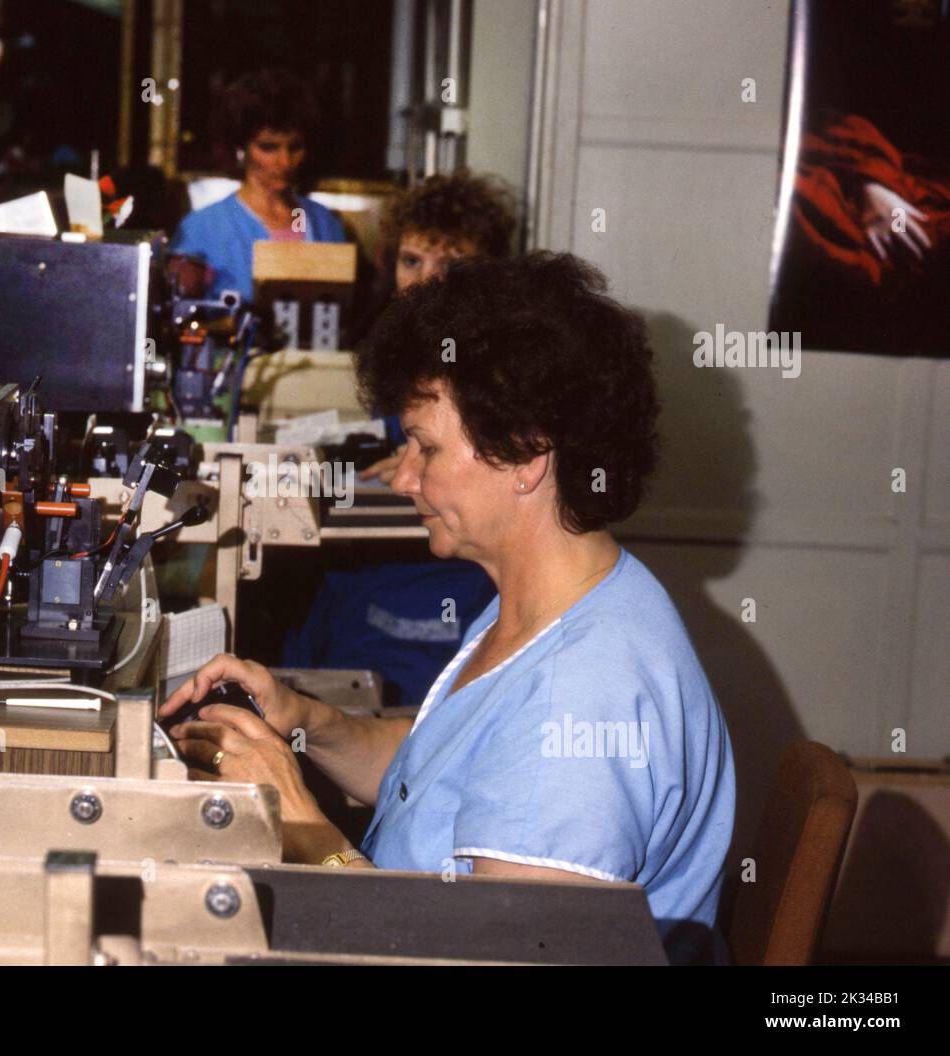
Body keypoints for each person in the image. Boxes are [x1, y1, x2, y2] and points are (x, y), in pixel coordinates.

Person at [161, 252, 737, 965]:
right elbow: (443, 775)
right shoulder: (556, 599)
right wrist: (309, 722)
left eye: (426, 448)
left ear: (526, 452)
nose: (403, 477)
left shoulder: (582, 697)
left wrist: (303, 827)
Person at [283, 172, 520, 708]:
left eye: (450, 265)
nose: (426, 280)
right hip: (367, 572)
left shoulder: (504, 367)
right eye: (411, 261)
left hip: (451, 584)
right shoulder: (397, 350)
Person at [169, 69, 346, 303]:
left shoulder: (325, 224)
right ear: (240, 148)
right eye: (268, 147)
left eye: (295, 147)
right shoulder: (202, 229)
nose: (284, 161)